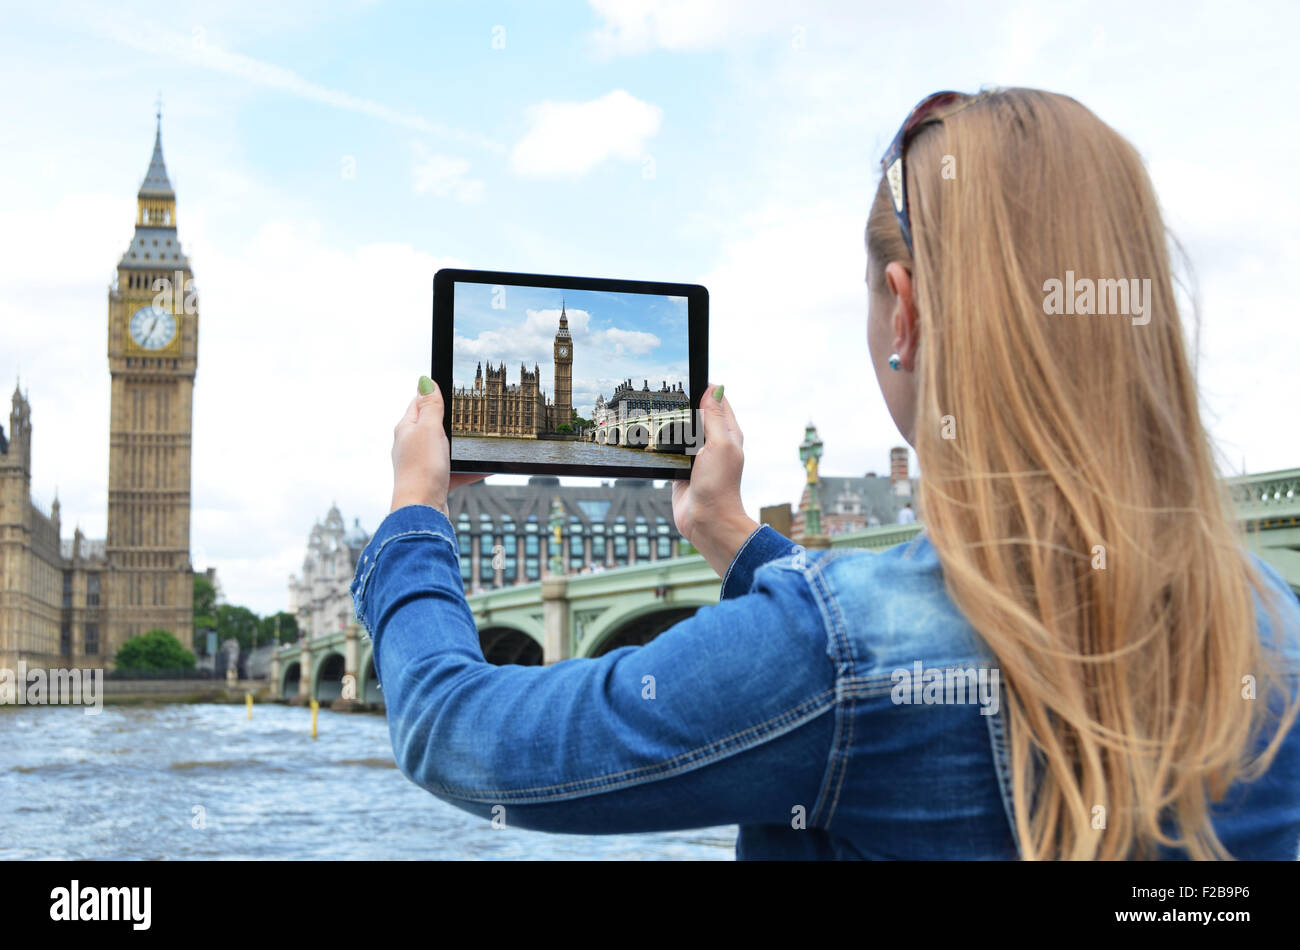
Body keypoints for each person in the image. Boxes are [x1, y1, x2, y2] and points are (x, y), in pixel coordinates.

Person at [351, 87, 1300, 860]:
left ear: (905, 314)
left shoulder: (830, 660)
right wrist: (730, 536)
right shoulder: (1276, 629)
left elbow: (461, 735)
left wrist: (413, 513)